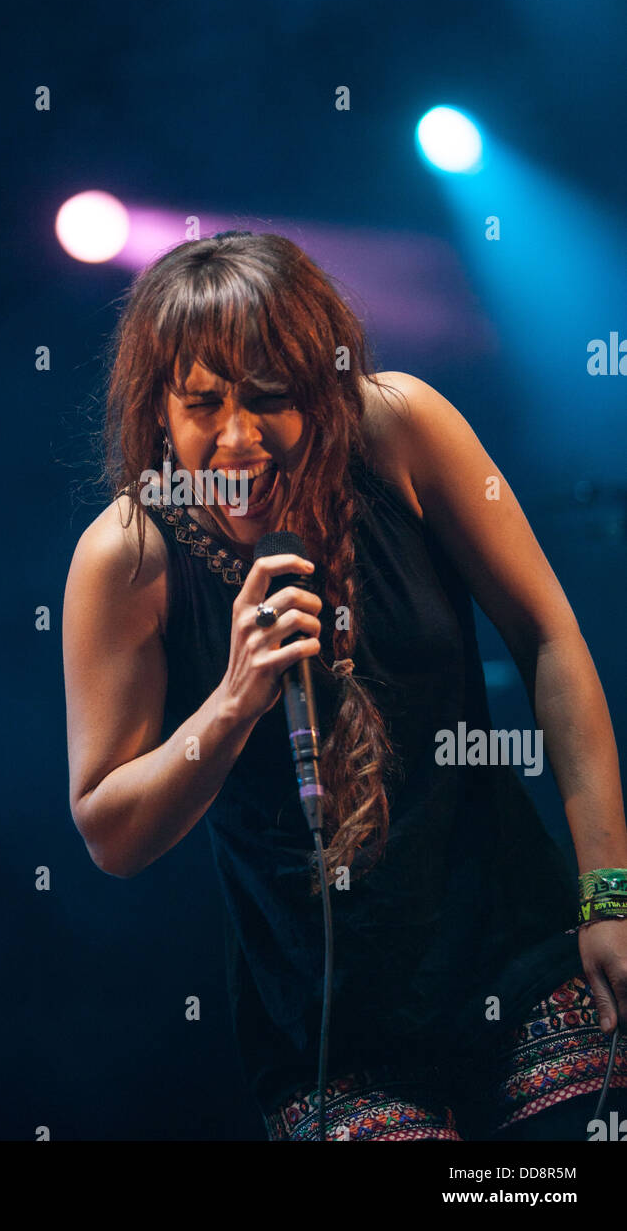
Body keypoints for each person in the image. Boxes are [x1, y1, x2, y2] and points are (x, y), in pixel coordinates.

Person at [62, 229, 627, 1141]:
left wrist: (611, 894)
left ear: (323, 391)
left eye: (270, 400)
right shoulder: (126, 559)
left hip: (520, 958)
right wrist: (235, 699)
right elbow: (109, 831)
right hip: (333, 1036)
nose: (238, 439)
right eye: (202, 405)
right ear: (157, 410)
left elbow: (549, 637)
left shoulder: (401, 427)